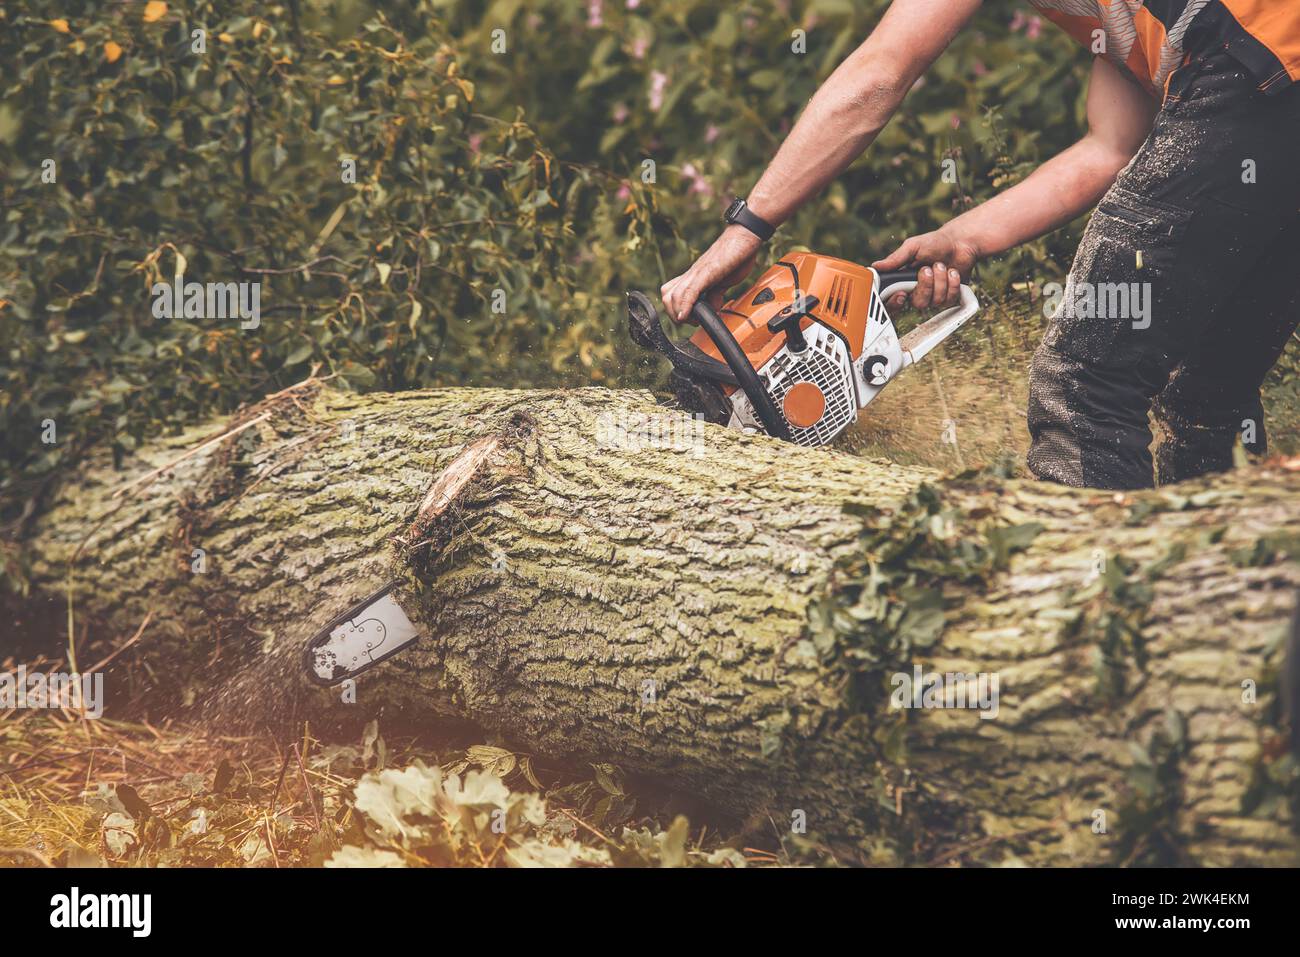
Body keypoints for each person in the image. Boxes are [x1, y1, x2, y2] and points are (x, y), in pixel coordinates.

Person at [660, 0, 1300, 489]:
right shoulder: (1125, 26)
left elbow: (880, 75)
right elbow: (1109, 146)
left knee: (1086, 381)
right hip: (1268, 80)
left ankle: (1094, 634)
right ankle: (1225, 611)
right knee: (1200, 397)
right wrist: (962, 237)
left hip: (1261, 68)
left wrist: (747, 227)